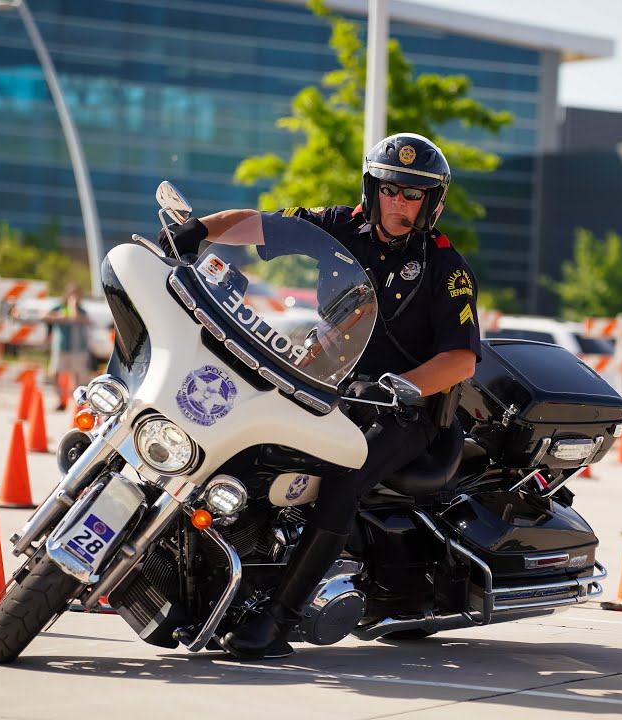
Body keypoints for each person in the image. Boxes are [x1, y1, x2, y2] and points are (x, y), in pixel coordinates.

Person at [159, 132, 482, 661]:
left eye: (413, 195)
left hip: (401, 408)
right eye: (391, 190)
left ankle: (279, 617)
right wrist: (199, 232)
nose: (399, 203)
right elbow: (262, 224)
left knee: (344, 476)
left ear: (431, 202)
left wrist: (404, 386)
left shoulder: (447, 269)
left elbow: (461, 359)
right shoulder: (339, 225)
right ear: (373, 189)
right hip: (329, 385)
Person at [42, 283, 91, 393]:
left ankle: (73, 397)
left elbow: (75, 317)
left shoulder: (81, 311)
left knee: (76, 374)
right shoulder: (59, 307)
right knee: (54, 372)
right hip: (61, 346)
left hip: (78, 347)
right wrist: (58, 316)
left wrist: (72, 306)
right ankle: (60, 397)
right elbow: (44, 315)